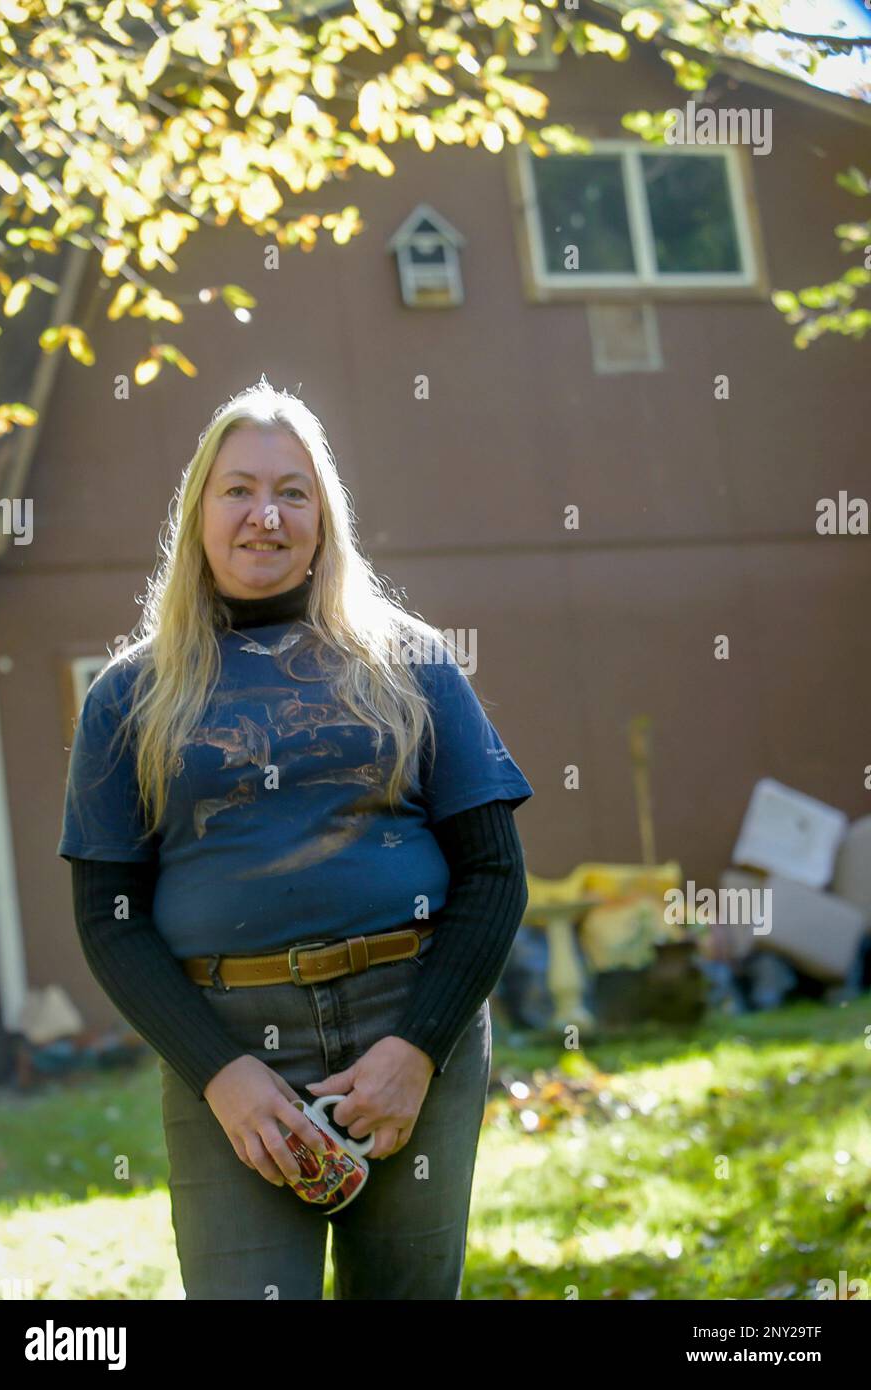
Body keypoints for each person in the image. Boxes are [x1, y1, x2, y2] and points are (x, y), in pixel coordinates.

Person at [57, 379, 534, 1300]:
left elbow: (494, 872)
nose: (263, 516)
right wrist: (222, 1077)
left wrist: (419, 1050)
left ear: (325, 520)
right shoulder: (128, 695)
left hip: (409, 1020)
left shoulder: (413, 663)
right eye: (237, 490)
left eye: (292, 492)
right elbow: (110, 918)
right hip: (226, 1046)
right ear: (198, 512)